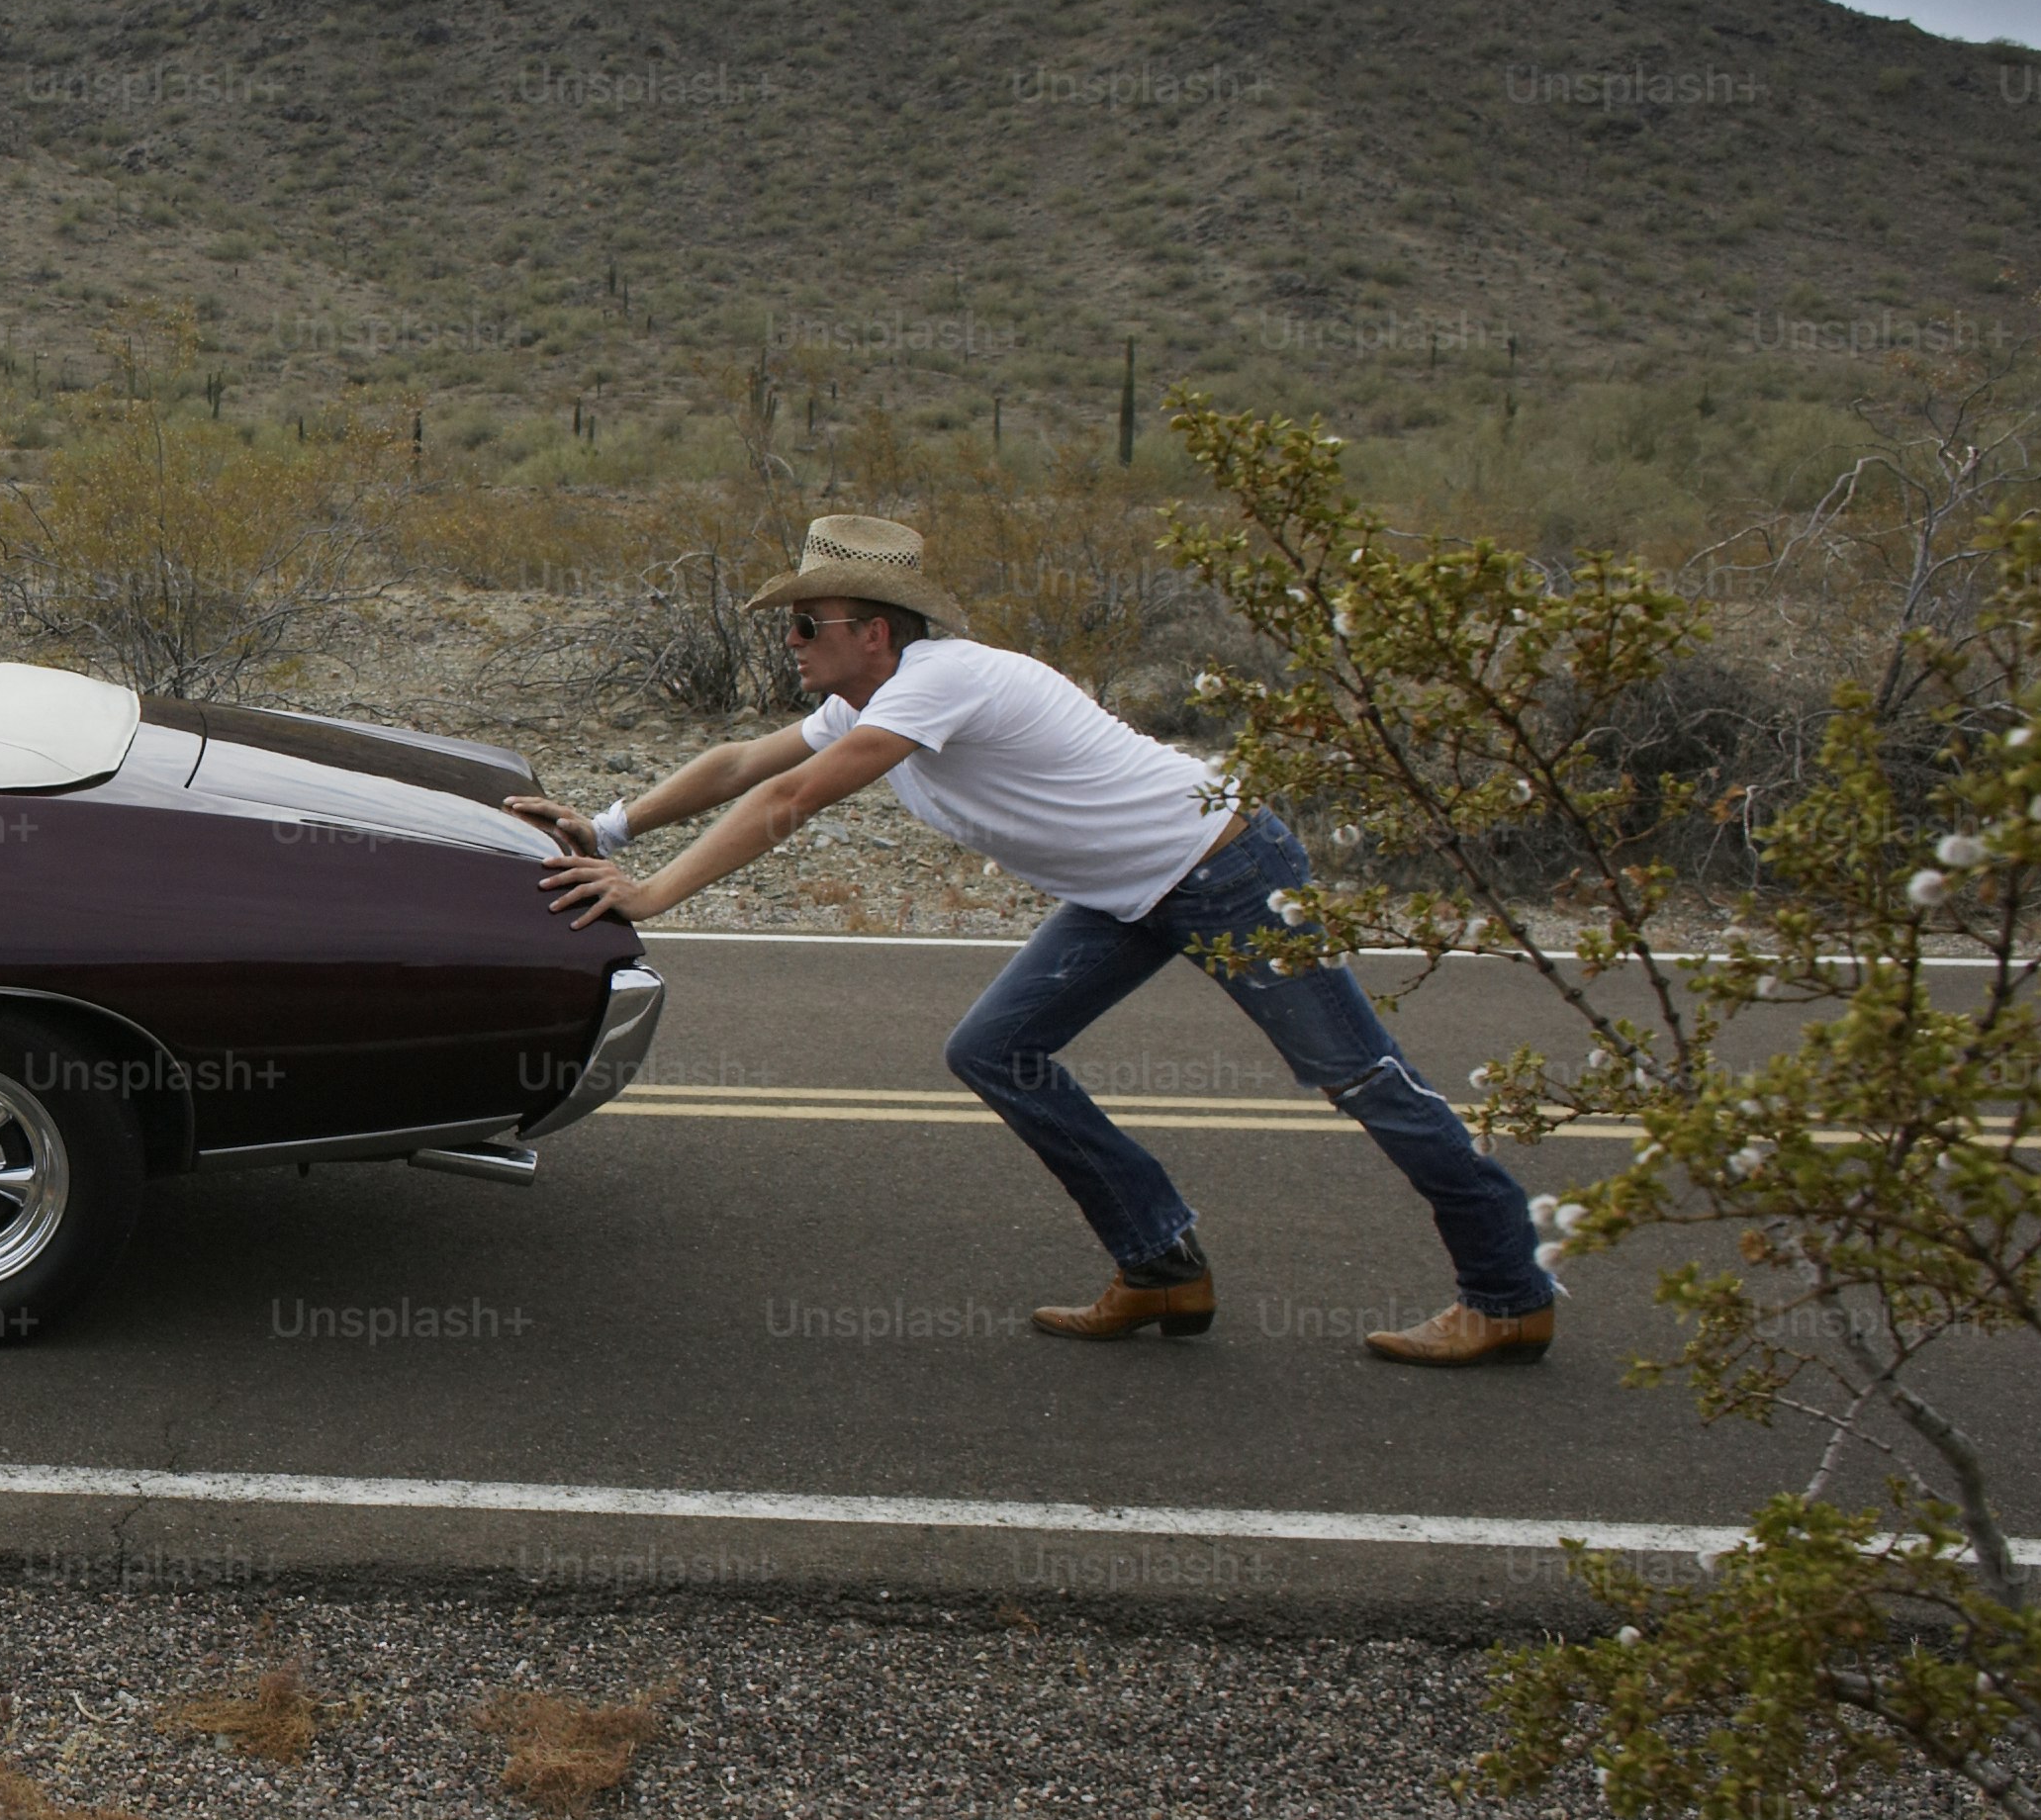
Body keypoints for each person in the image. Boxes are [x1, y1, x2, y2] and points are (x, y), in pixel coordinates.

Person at [521, 513, 1559, 1367]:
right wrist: (608, 828)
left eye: (808, 626)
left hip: (1225, 869)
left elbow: (793, 798)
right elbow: (742, 761)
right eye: (789, 628)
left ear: (875, 632)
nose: (789, 644)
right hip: (1125, 894)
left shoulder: (946, 678)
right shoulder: (868, 698)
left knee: (1358, 1076)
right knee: (996, 1051)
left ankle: (1508, 1292)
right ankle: (1162, 1267)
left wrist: (653, 891)